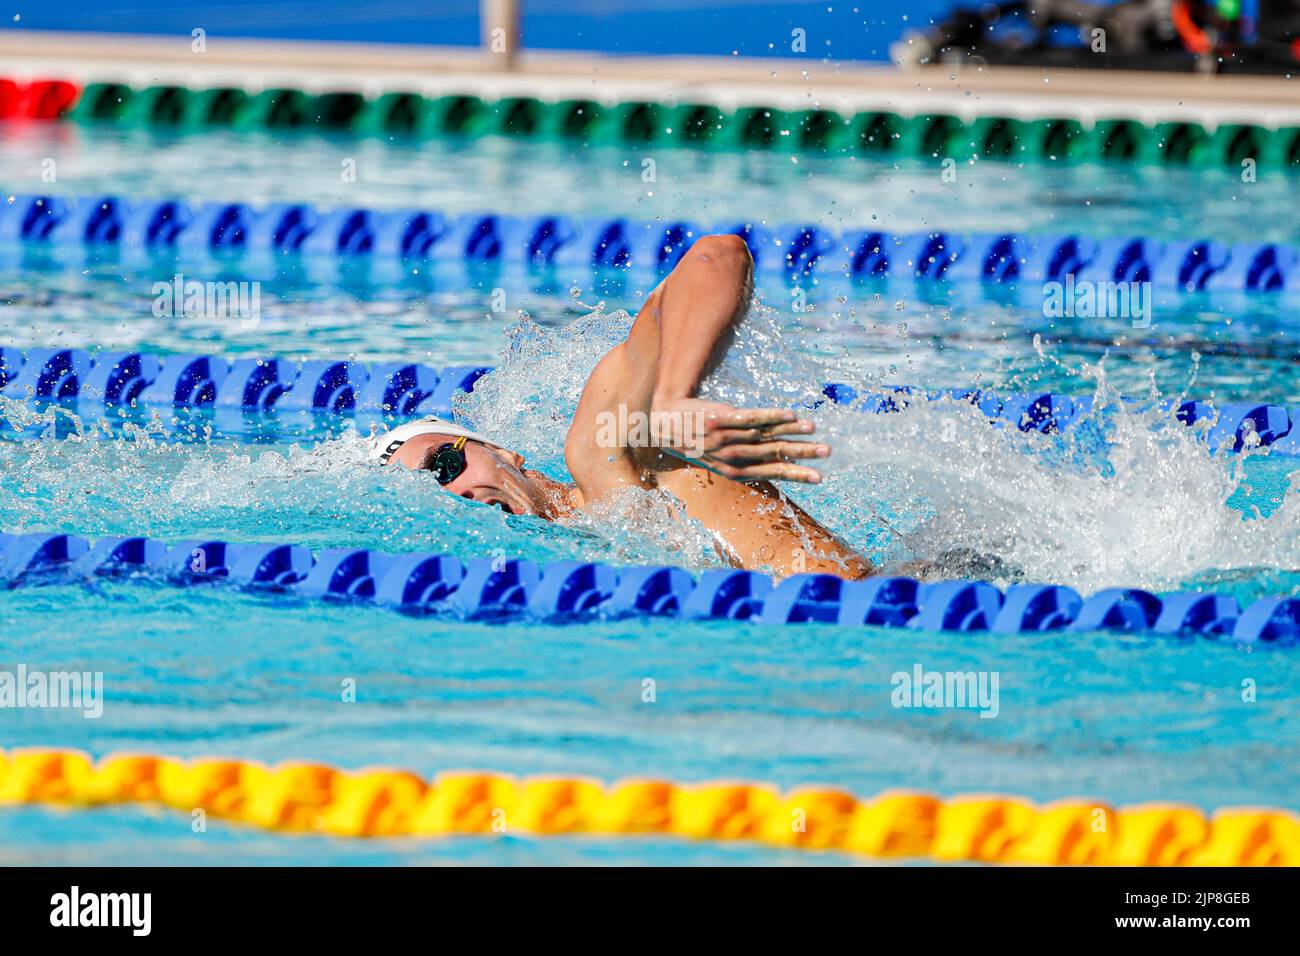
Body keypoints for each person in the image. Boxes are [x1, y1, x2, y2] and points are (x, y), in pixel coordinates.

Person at [370, 234, 874, 579]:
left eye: (443, 463)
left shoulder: (602, 458)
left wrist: (675, 397)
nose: (454, 493)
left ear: (504, 452)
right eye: (431, 494)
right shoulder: (572, 558)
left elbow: (717, 256)